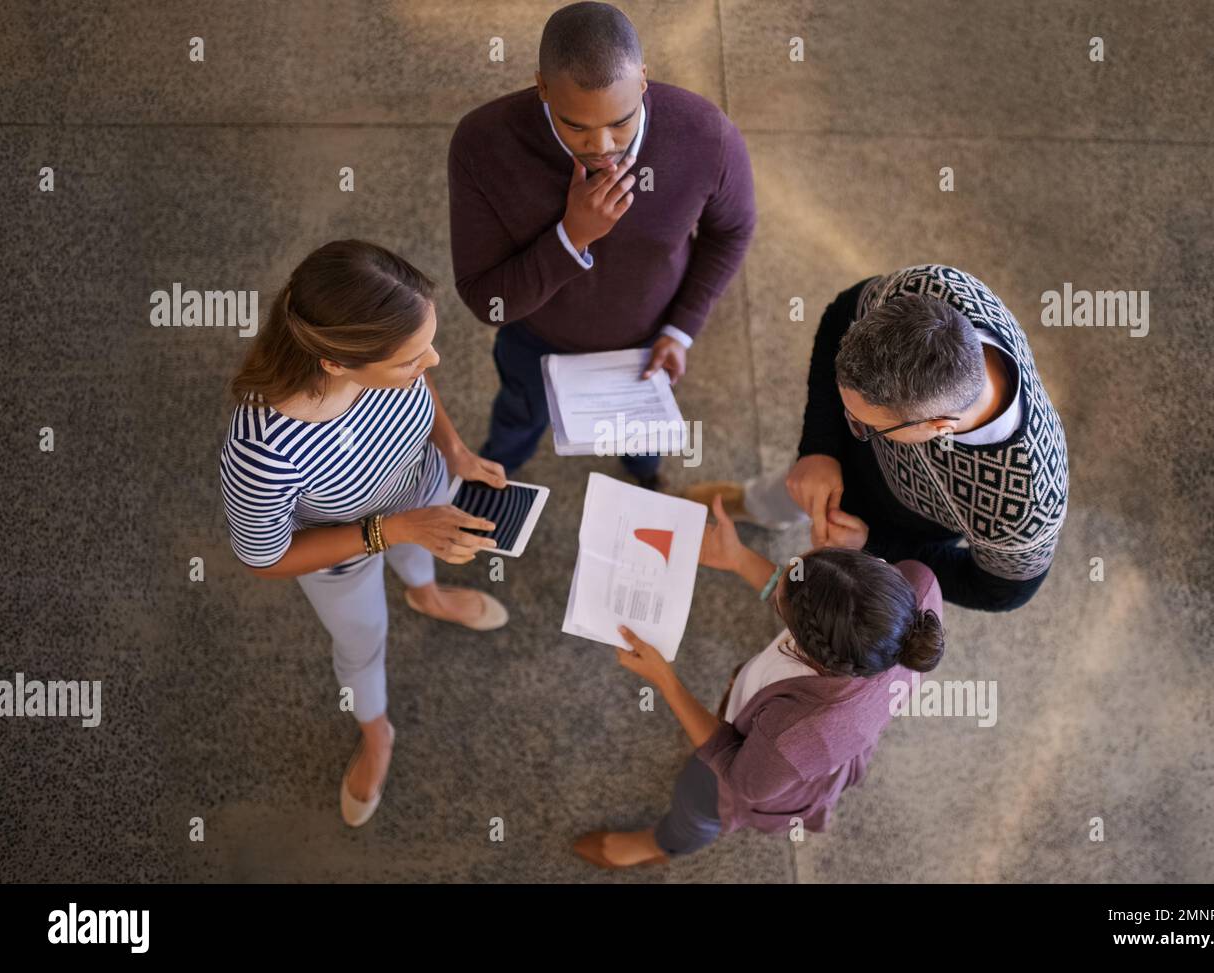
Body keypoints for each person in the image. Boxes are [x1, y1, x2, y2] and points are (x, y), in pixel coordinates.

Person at [219, 240, 507, 827]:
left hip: (421, 489)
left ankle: (426, 595)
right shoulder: (263, 452)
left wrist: (453, 450)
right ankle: (377, 735)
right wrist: (394, 529)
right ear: (336, 364)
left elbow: (420, 388)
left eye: (427, 344)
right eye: (409, 359)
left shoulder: (389, 362)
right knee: (362, 643)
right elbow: (263, 560)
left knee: (425, 553)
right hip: (341, 555)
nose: (433, 363)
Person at [448, 1, 756, 490]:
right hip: (536, 340)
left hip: (649, 339)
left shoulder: (705, 135)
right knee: (517, 420)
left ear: (643, 81)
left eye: (622, 121)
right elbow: (487, 300)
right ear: (542, 87)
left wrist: (682, 328)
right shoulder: (482, 143)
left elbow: (732, 231)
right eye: (575, 126)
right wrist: (572, 237)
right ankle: (495, 474)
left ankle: (644, 471)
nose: (602, 146)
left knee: (641, 441)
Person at [573, 494, 945, 867]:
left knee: (699, 799)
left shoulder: (802, 732)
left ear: (808, 649)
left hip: (766, 774)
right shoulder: (917, 587)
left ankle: (663, 845)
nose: (781, 577)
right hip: (797, 743)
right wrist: (738, 558)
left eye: (785, 599)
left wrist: (665, 680)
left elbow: (740, 778)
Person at [686, 264, 1069, 612]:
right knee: (788, 488)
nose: (851, 425)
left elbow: (995, 591)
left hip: (903, 529)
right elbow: (841, 313)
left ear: (938, 427)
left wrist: (873, 544)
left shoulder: (1024, 507)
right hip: (835, 468)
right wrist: (819, 449)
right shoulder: (925, 290)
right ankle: (752, 505)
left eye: (865, 425)